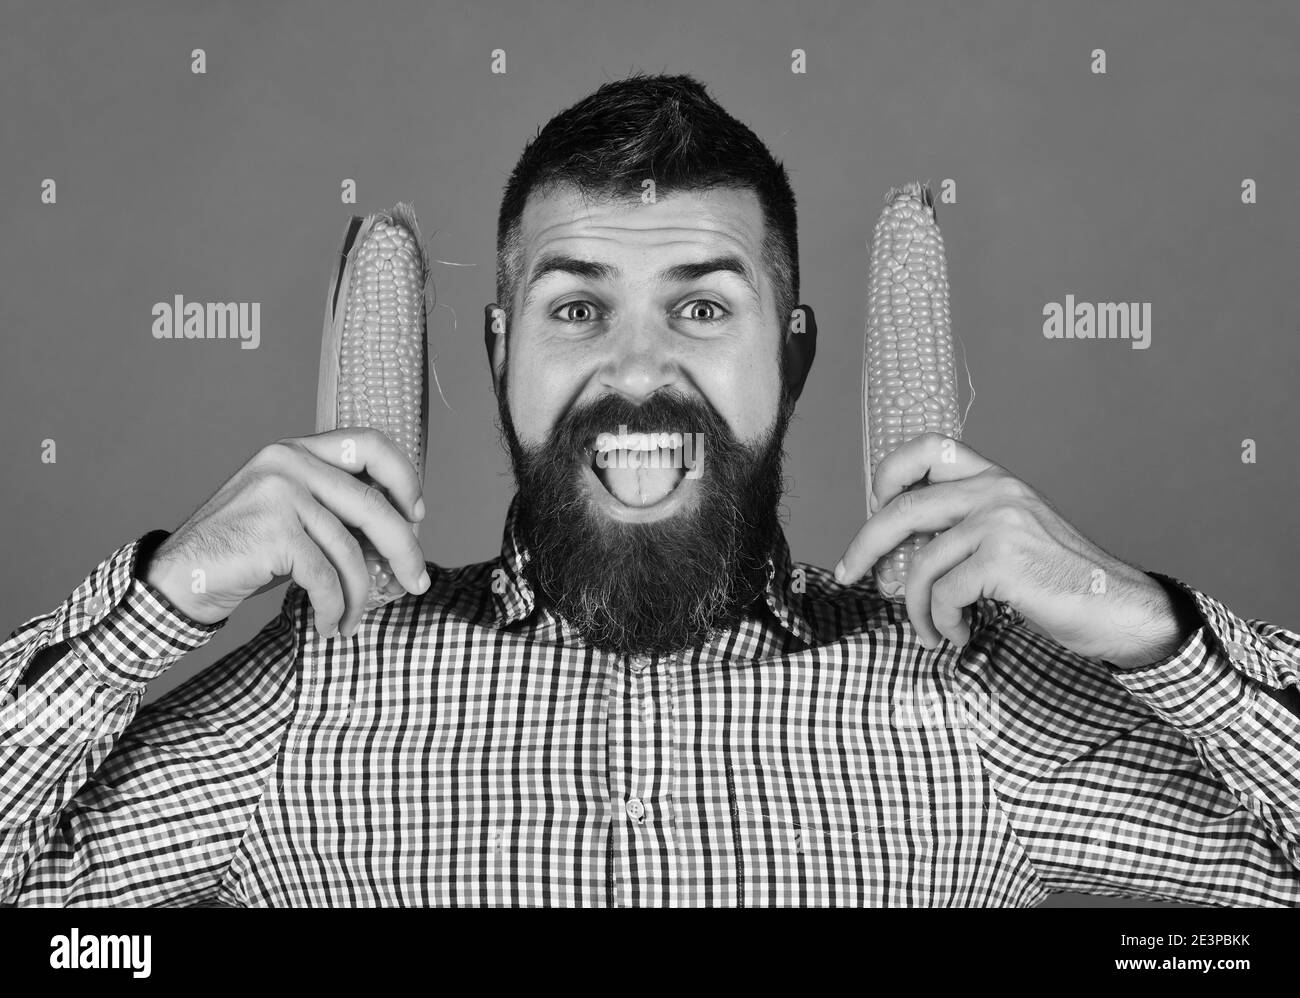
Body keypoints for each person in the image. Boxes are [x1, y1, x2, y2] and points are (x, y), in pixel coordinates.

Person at [2, 73, 1298, 908]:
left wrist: (1143, 622)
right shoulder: (316, 693)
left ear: (792, 353)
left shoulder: (964, 704)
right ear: (502, 355)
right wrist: (162, 602)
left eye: (700, 306)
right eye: (578, 307)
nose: (636, 367)